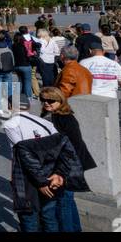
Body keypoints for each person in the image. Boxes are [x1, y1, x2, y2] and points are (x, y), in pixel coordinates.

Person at [2, 105, 88, 232]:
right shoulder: (44, 122)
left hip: (28, 178)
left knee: (29, 217)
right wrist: (58, 173)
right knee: (49, 215)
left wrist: (41, 181)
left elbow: (22, 153)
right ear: (29, 106)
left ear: (10, 106)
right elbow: (62, 148)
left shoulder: (10, 125)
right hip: (50, 174)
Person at [39, 87, 93, 232]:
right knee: (67, 200)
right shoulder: (51, 114)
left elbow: (74, 146)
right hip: (63, 163)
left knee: (63, 201)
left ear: (60, 101)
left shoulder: (65, 118)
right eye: (43, 100)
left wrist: (60, 171)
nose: (46, 103)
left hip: (67, 165)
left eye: (50, 100)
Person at [11, 26, 40, 105]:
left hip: (17, 66)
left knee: (20, 81)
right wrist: (34, 53)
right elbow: (28, 54)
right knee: (27, 82)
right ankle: (28, 98)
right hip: (26, 65)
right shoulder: (24, 45)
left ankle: (19, 97)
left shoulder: (13, 46)